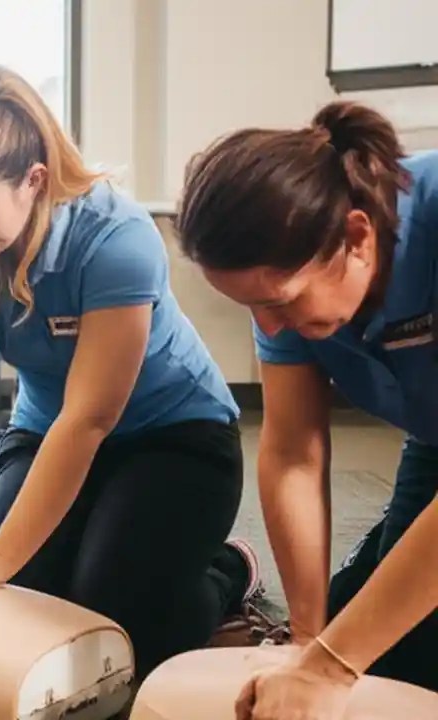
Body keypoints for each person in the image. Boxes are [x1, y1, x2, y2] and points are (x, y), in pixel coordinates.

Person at [0, 65, 264, 682]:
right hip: (45, 430)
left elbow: (90, 419)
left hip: (174, 439)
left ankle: (227, 570)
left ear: (33, 181)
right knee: (17, 599)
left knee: (112, 616)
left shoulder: (116, 236)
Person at [175, 99, 438, 717]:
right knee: (375, 647)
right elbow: (293, 452)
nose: (270, 326)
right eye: (252, 308)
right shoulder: (288, 288)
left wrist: (330, 665)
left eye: (280, 301)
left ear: (356, 236)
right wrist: (307, 640)